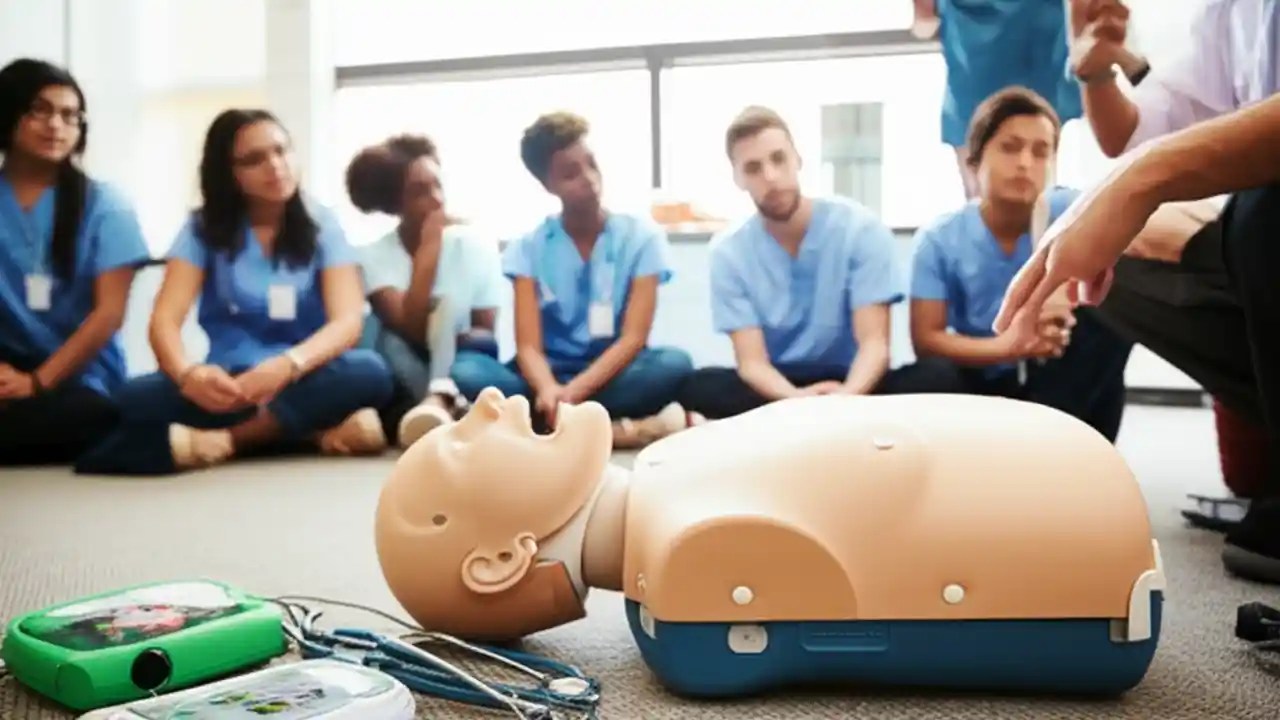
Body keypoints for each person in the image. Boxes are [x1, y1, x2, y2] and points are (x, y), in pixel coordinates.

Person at [994, 0, 1280, 582]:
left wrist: (1142, 183)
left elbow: (1153, 162)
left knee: (1262, 211)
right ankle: (1059, 487)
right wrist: (1097, 71)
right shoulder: (1230, 12)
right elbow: (1139, 132)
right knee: (1099, 261)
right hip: (1254, 254)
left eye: (1039, 149)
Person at [76, 109, 393, 475]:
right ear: (228, 172)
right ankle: (312, 433)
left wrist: (286, 366)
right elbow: (164, 320)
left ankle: (226, 441)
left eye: (281, 150)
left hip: (306, 374)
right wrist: (188, 376)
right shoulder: (202, 228)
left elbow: (347, 322)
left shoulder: (323, 222)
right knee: (131, 398)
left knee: (369, 371)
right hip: (232, 383)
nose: (275, 166)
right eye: (254, 160)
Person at [678, 106, 962, 421]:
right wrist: (797, 400)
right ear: (738, 178)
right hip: (779, 386)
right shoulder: (728, 252)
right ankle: (808, 421)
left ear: (798, 159)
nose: (770, 177)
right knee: (700, 385)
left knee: (938, 375)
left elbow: (875, 345)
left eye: (778, 159)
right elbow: (752, 363)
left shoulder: (860, 229)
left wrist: (846, 398)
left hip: (855, 381)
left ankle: (797, 425)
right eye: (753, 168)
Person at [449, 111, 693, 449]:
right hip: (545, 379)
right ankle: (607, 425)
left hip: (612, 374)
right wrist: (550, 389)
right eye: (570, 173)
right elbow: (529, 347)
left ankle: (543, 424)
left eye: (592, 164)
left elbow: (633, 338)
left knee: (673, 364)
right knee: (468, 369)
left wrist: (574, 392)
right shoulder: (528, 248)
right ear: (547, 185)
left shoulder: (641, 237)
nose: (589, 179)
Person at [909, 87, 1133, 442]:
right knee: (923, 376)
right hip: (978, 375)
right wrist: (1009, 347)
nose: (1026, 163)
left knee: (1107, 320)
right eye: (1010, 147)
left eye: (1041, 152)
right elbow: (926, 339)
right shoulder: (940, 239)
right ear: (975, 160)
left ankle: (1077, 460)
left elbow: (1136, 224)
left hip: (1054, 373)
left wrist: (1068, 292)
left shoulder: (1073, 214)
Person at [0, 59, 150, 465]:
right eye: (40, 110)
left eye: (70, 116)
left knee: (91, 414)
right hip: (7, 364)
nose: (56, 126)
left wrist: (37, 382)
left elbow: (108, 315)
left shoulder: (106, 206)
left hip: (77, 375)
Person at [345, 134, 505, 448]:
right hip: (405, 360)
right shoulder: (373, 256)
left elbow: (486, 329)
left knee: (450, 315)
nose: (436, 200)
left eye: (438, 186)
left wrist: (446, 328)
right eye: (419, 192)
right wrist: (428, 250)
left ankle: (435, 403)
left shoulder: (472, 246)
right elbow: (409, 325)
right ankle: (441, 409)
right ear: (395, 203)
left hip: (464, 355)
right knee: (384, 338)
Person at [910, 0, 1149, 198]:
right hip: (1002, 31)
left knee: (1018, 155)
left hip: (1018, 33)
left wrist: (925, 16)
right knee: (1015, 158)